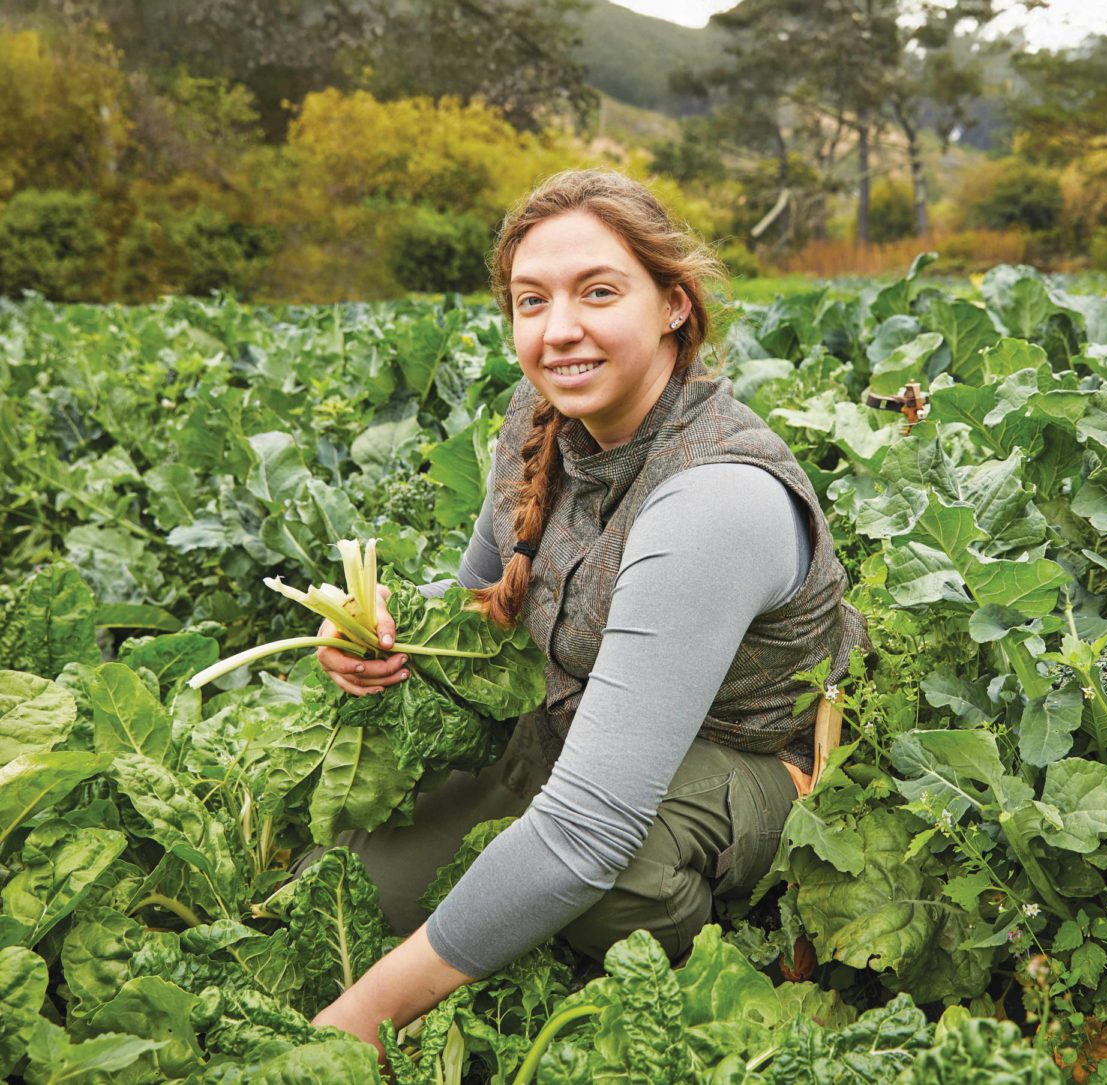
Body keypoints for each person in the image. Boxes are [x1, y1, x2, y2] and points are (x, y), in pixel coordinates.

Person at [301, 168, 872, 1057]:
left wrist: (349, 1030)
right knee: (346, 875)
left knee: (604, 881)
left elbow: (588, 828)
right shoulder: (537, 416)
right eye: (532, 301)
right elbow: (480, 609)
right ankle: (512, 885)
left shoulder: (712, 501)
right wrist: (384, 639)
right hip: (571, 731)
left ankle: (722, 928)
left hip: (743, 762)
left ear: (674, 305)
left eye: (598, 292)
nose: (559, 329)